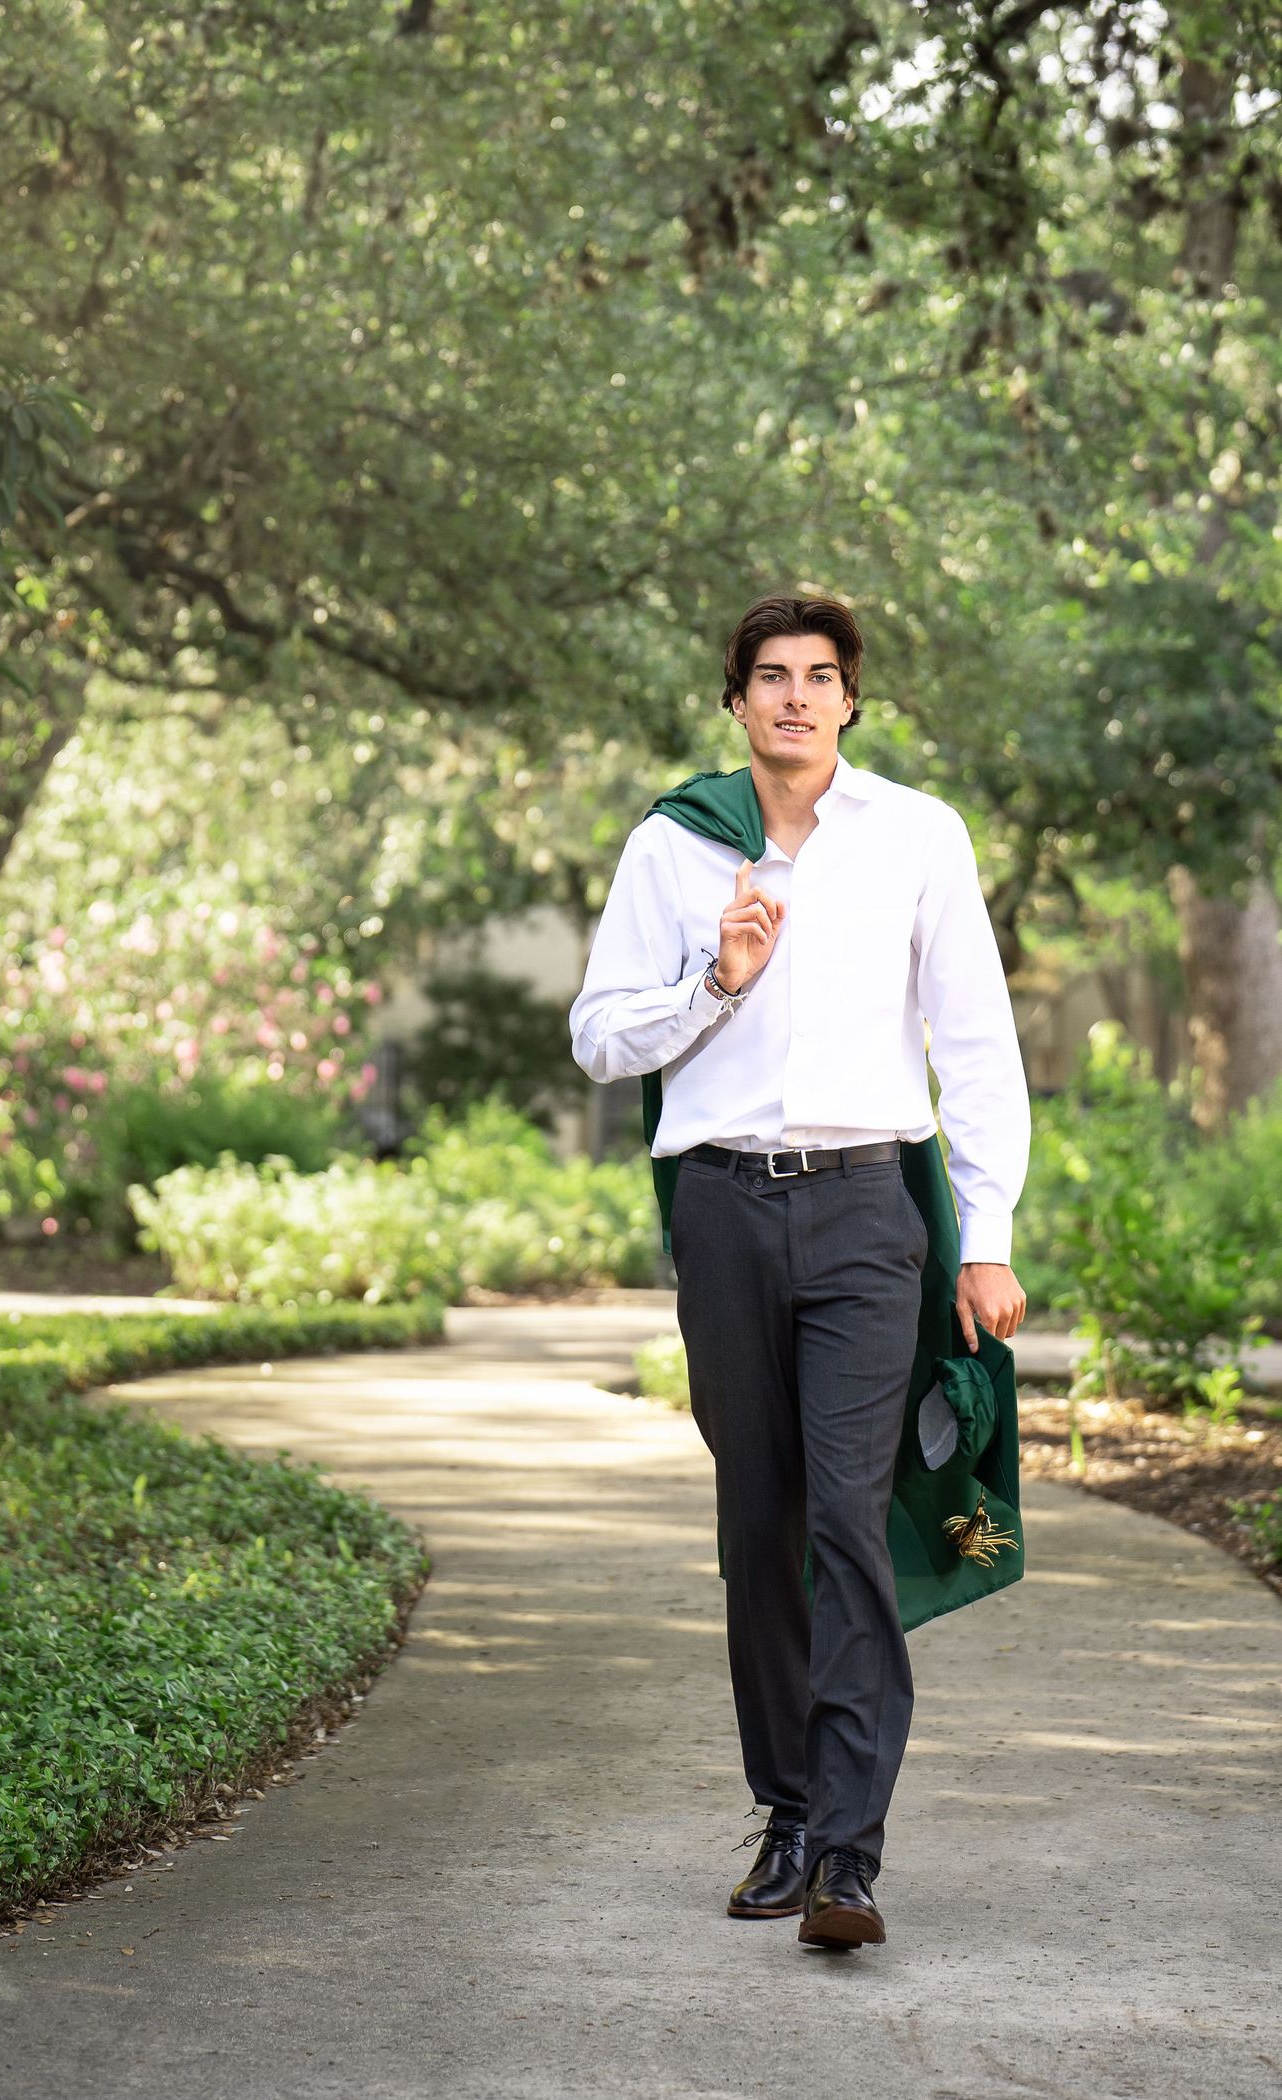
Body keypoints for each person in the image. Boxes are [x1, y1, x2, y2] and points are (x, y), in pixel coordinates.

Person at [568, 592, 1030, 1951]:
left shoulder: (916, 838)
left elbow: (978, 1040)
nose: (794, 698)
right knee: (758, 1524)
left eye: (819, 678)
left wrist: (988, 1233)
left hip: (866, 1218)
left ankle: (847, 1855)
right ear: (736, 703)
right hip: (721, 1211)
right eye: (770, 677)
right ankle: (784, 1811)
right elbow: (602, 1038)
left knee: (847, 1518)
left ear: (849, 701)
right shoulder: (673, 846)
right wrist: (713, 979)